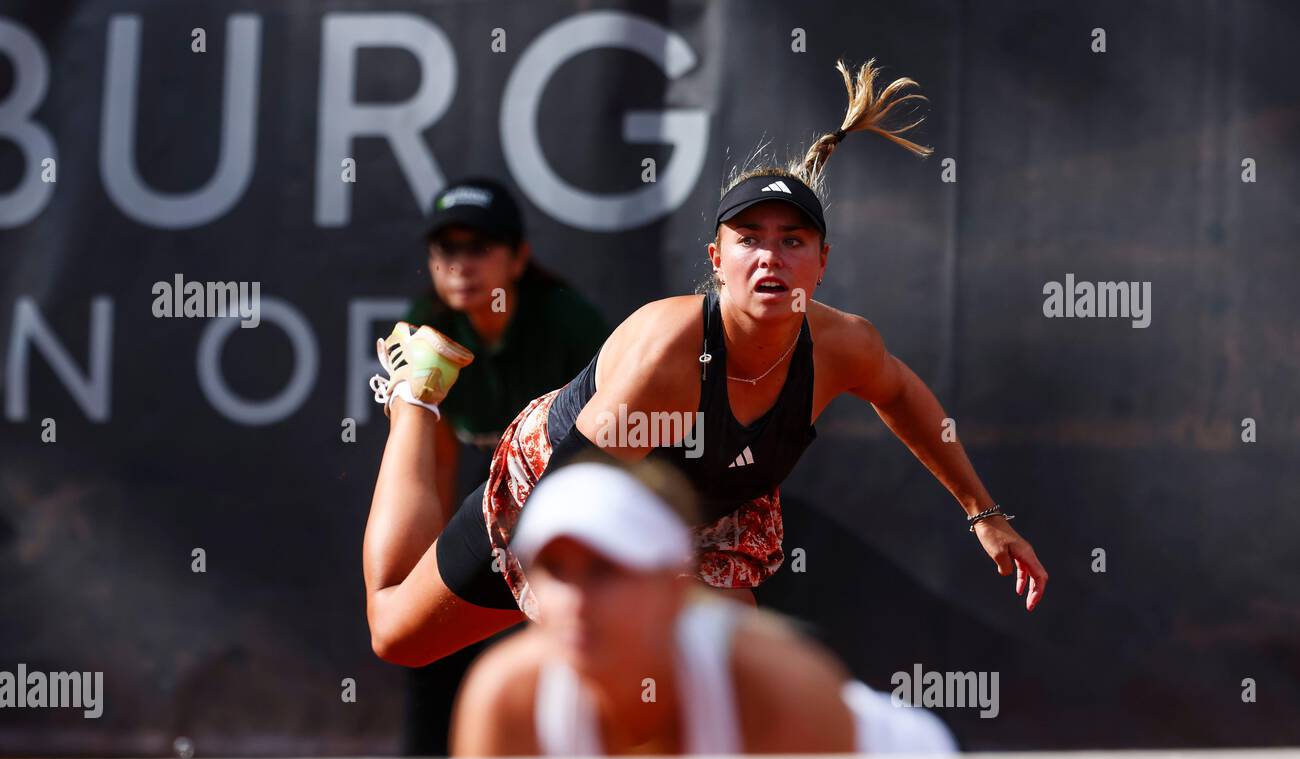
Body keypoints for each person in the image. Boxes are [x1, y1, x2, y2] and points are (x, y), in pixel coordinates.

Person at [363, 58, 1049, 670]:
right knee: (396, 633)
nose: (770, 257)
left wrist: (983, 512)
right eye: (748, 239)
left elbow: (901, 394)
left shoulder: (845, 345)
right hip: (565, 485)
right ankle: (415, 396)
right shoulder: (666, 355)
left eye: (793, 241)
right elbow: (565, 506)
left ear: (822, 261)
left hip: (715, 509)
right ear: (717, 261)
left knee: (721, 675)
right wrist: (586, 615)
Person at [449, 457, 958, 759]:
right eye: (555, 569)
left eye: (605, 570)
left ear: (671, 584)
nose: (575, 601)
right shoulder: (505, 698)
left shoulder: (782, 688)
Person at [374, 177, 607, 755]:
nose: (460, 264)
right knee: (423, 638)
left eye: (479, 247)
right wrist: (435, 560)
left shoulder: (567, 324)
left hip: (571, 513)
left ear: (519, 257)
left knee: (560, 666)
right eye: (446, 249)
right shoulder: (428, 327)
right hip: (488, 507)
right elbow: (436, 458)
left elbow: (616, 449)